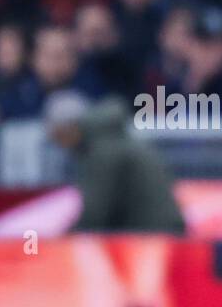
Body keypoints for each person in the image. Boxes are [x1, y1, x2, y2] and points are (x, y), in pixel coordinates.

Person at [45, 92, 186, 235]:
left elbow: (95, 213)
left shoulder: (102, 152)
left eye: (58, 135)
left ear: (71, 128)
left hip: (153, 236)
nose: (60, 144)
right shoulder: (112, 141)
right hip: (161, 231)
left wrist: (65, 238)